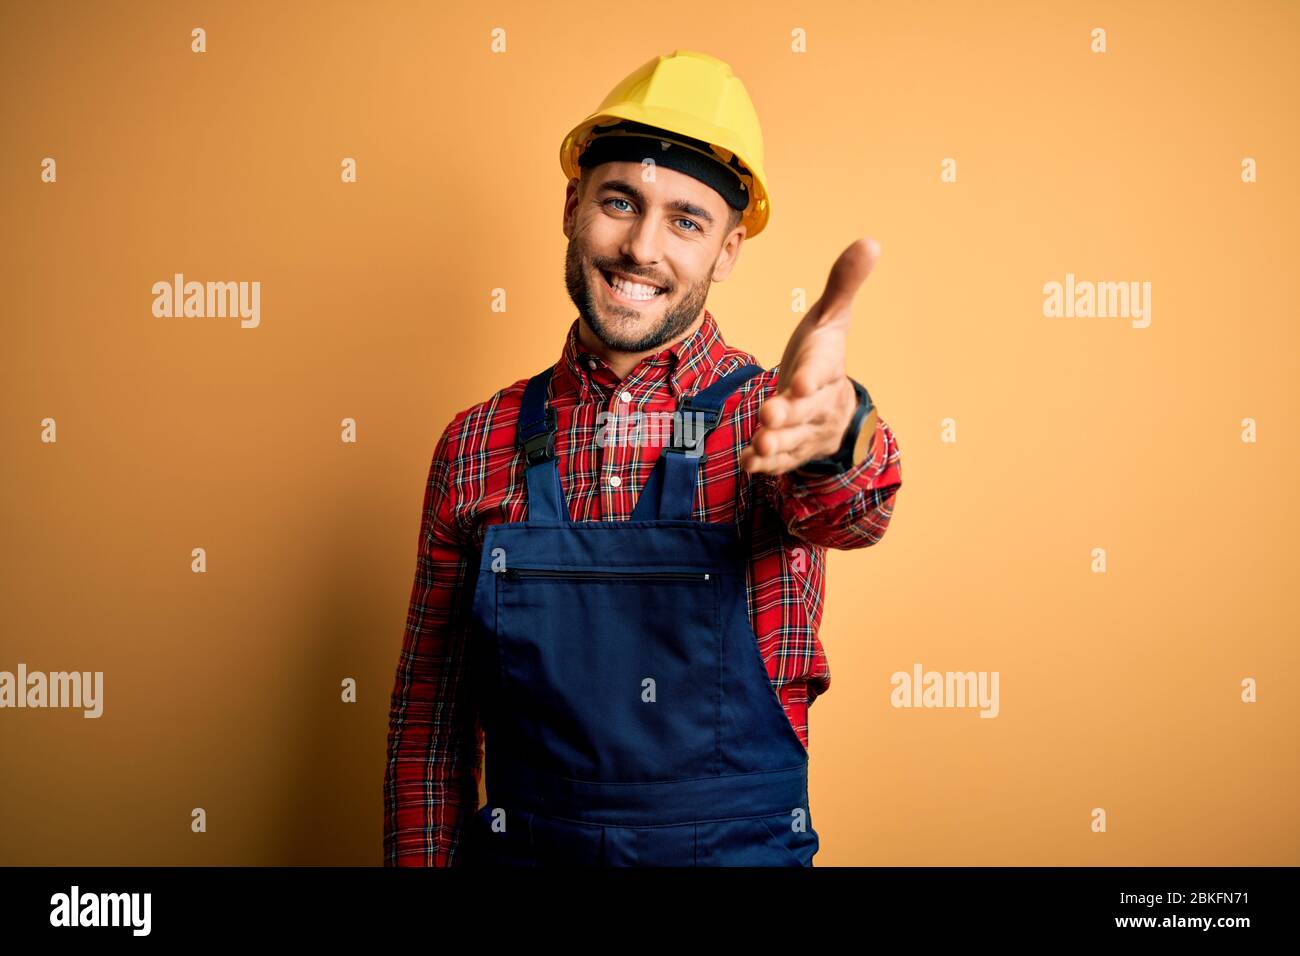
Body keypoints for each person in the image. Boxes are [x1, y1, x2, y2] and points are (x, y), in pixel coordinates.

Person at [384, 50, 902, 867]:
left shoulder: (768, 421)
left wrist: (838, 433)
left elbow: (857, 509)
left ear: (728, 251)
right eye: (620, 201)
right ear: (571, 205)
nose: (640, 248)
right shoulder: (475, 443)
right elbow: (430, 724)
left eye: (686, 220)